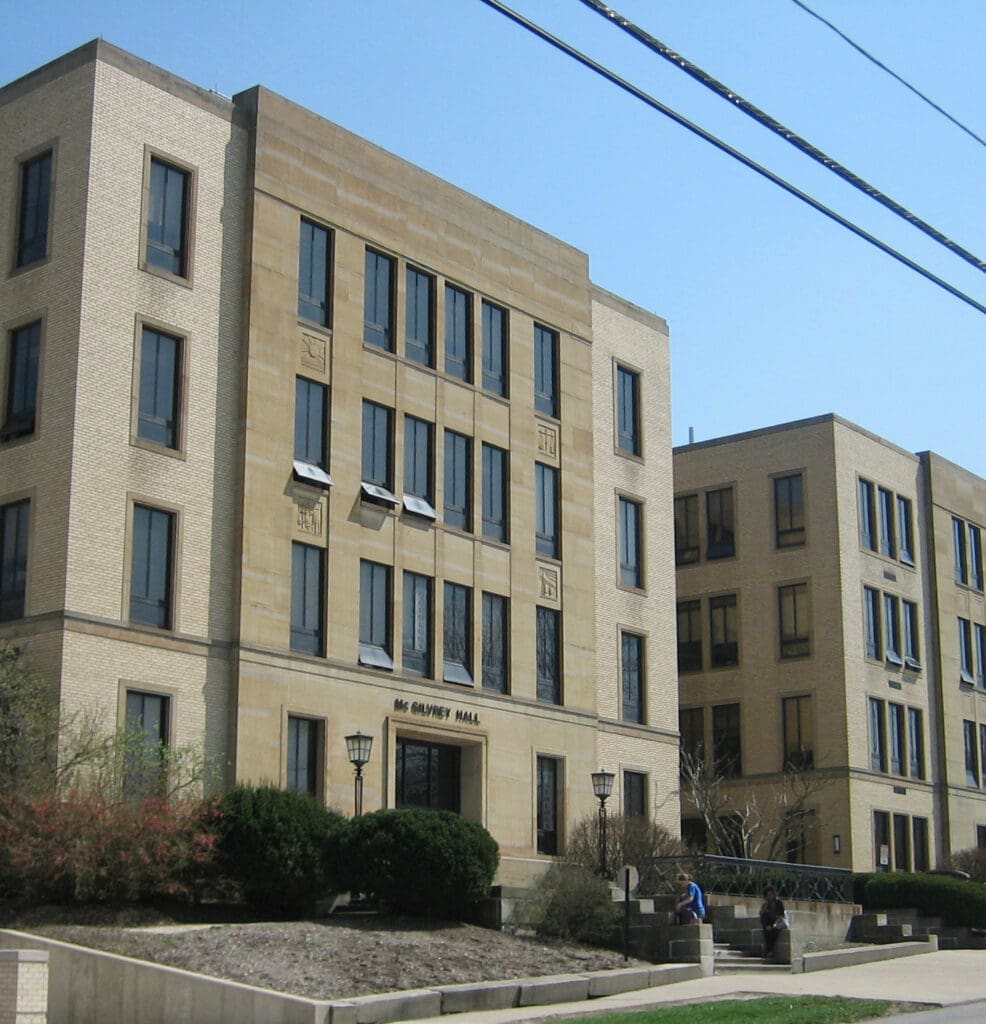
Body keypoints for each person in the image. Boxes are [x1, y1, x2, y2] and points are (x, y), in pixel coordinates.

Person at [759, 885, 788, 957]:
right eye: (768, 895)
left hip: (781, 921)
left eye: (771, 894)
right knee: (767, 931)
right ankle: (769, 950)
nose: (770, 896)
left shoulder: (779, 903)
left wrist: (775, 923)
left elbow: (782, 915)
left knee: (775, 930)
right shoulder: (766, 905)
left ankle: (770, 950)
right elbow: (763, 916)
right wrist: (767, 925)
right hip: (771, 922)